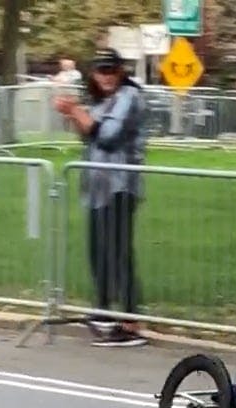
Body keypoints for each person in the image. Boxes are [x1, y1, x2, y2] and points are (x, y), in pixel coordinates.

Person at [53, 47, 148, 348]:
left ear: (121, 71)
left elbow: (107, 137)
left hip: (120, 185)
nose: (106, 76)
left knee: (119, 252)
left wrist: (75, 111)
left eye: (111, 70)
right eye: (101, 70)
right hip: (96, 188)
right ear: (93, 73)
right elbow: (89, 134)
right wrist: (73, 114)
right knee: (98, 251)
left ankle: (131, 323)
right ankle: (103, 311)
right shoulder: (101, 100)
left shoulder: (129, 96)